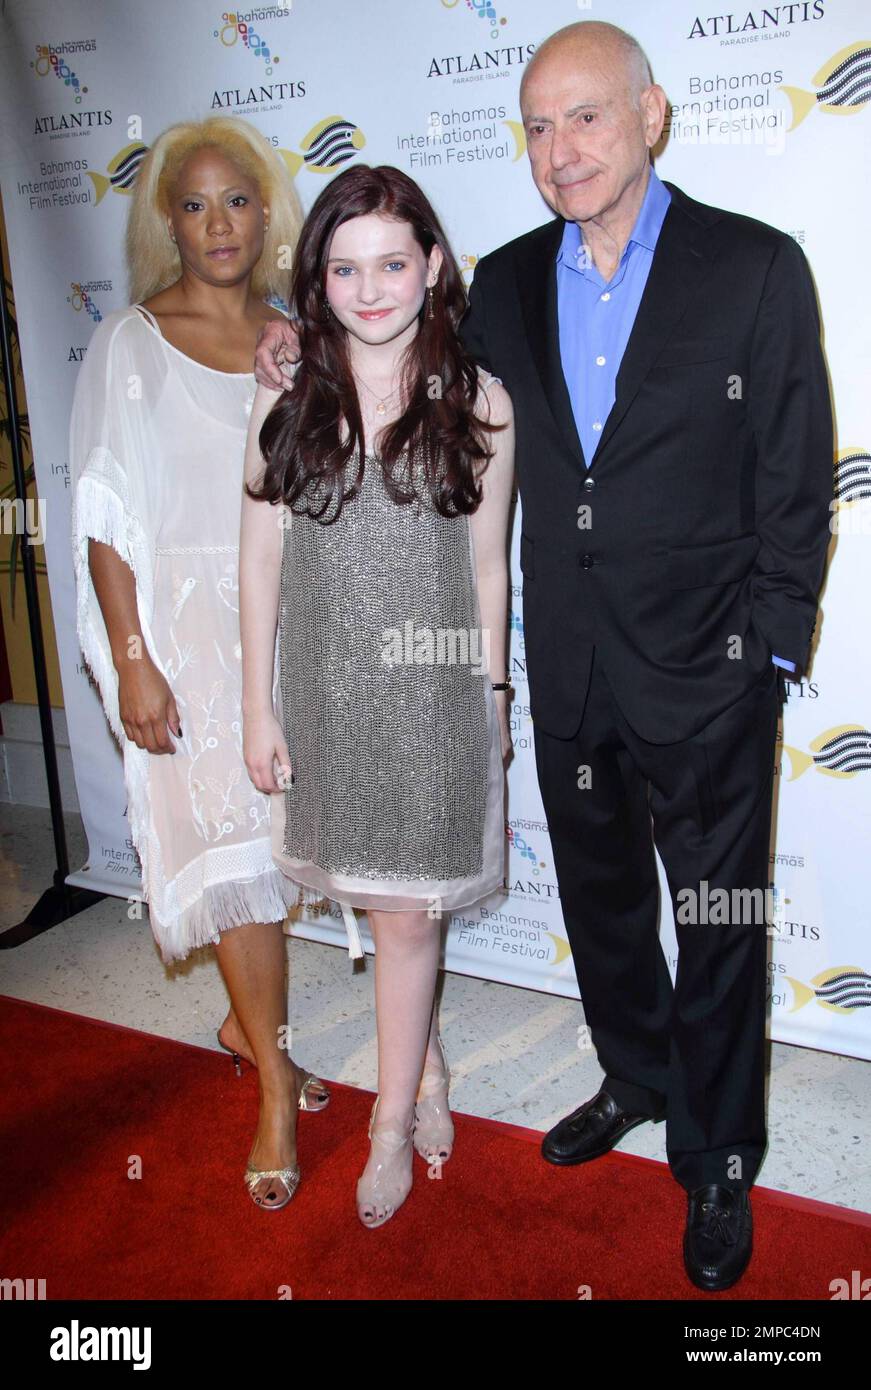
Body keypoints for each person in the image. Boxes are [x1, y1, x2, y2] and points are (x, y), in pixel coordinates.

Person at [255, 18, 833, 1286]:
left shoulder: (752, 267)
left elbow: (797, 478)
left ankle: (720, 1149)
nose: (559, 149)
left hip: (708, 670)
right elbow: (377, 327)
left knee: (720, 917)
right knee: (607, 903)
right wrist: (284, 340)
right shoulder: (506, 284)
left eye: (583, 116)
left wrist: (771, 653)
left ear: (651, 115)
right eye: (535, 126)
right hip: (566, 669)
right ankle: (635, 1072)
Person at [240, 163, 514, 1226]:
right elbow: (256, 558)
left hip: (437, 698)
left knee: (407, 915)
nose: (369, 288)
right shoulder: (286, 386)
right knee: (375, 890)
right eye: (344, 267)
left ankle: (389, 1119)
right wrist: (259, 704)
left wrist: (492, 691)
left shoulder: (482, 402)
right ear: (317, 279)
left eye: (392, 263)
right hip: (322, 688)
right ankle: (425, 1052)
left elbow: (489, 569)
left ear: (432, 266)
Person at [70, 115, 331, 1215]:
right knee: (232, 868)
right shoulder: (131, 341)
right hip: (183, 640)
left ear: (265, 213)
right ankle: (273, 1082)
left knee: (275, 858)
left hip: (288, 631)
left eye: (236, 200)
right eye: (192, 203)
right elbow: (103, 518)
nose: (217, 222)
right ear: (165, 220)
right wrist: (134, 662)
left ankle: (245, 1024)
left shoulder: (297, 336)